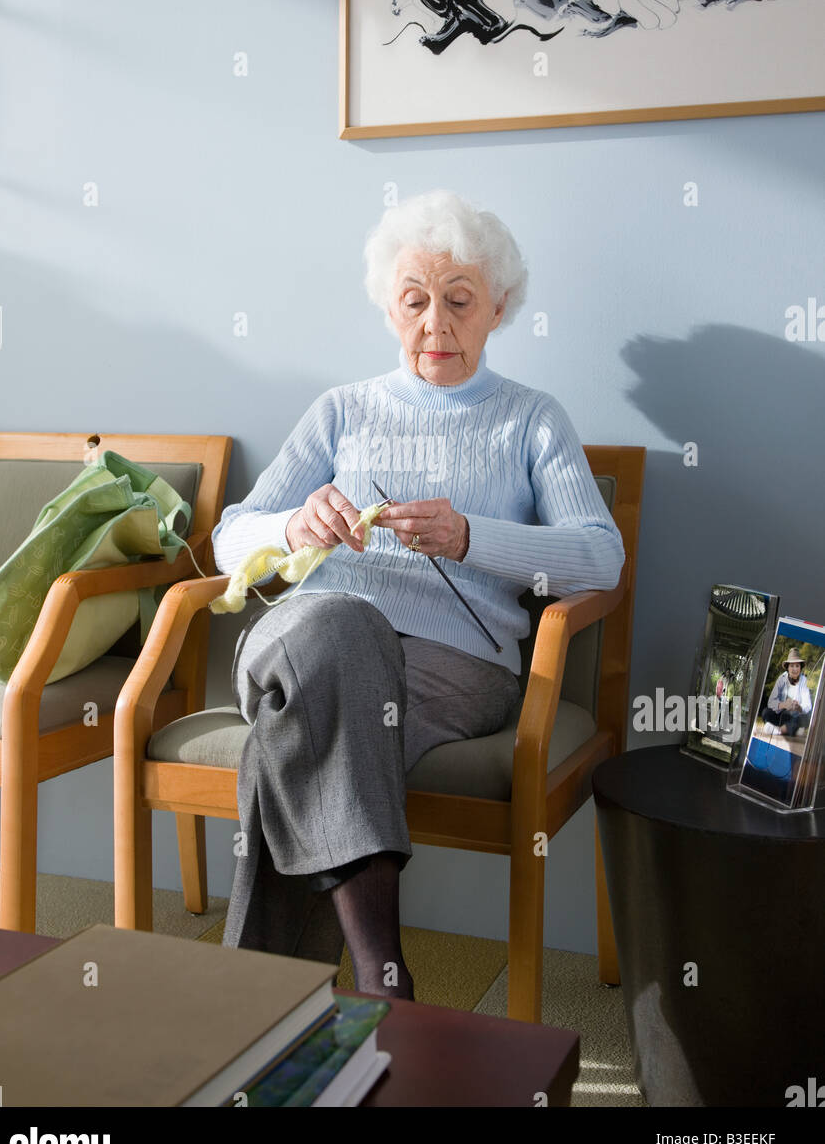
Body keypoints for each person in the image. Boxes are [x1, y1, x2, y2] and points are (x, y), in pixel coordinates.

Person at [211, 189, 625, 999]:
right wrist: (296, 526)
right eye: (414, 301)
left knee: (295, 738)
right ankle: (382, 973)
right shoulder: (340, 411)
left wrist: (472, 537)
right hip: (304, 640)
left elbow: (599, 558)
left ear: (498, 308)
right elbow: (230, 535)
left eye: (460, 301)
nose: (435, 322)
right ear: (389, 308)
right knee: (340, 625)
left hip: (448, 666)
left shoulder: (532, 422)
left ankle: (261, 1007)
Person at [763, 648, 813, 739]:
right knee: (766, 712)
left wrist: (799, 707)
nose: (794, 669)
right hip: (782, 716)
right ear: (787, 667)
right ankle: (789, 730)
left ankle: (778, 730)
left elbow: (808, 705)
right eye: (792, 666)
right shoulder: (781, 678)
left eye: (797, 666)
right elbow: (771, 702)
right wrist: (783, 705)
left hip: (795, 716)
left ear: (800, 668)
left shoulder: (804, 681)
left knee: (804, 719)